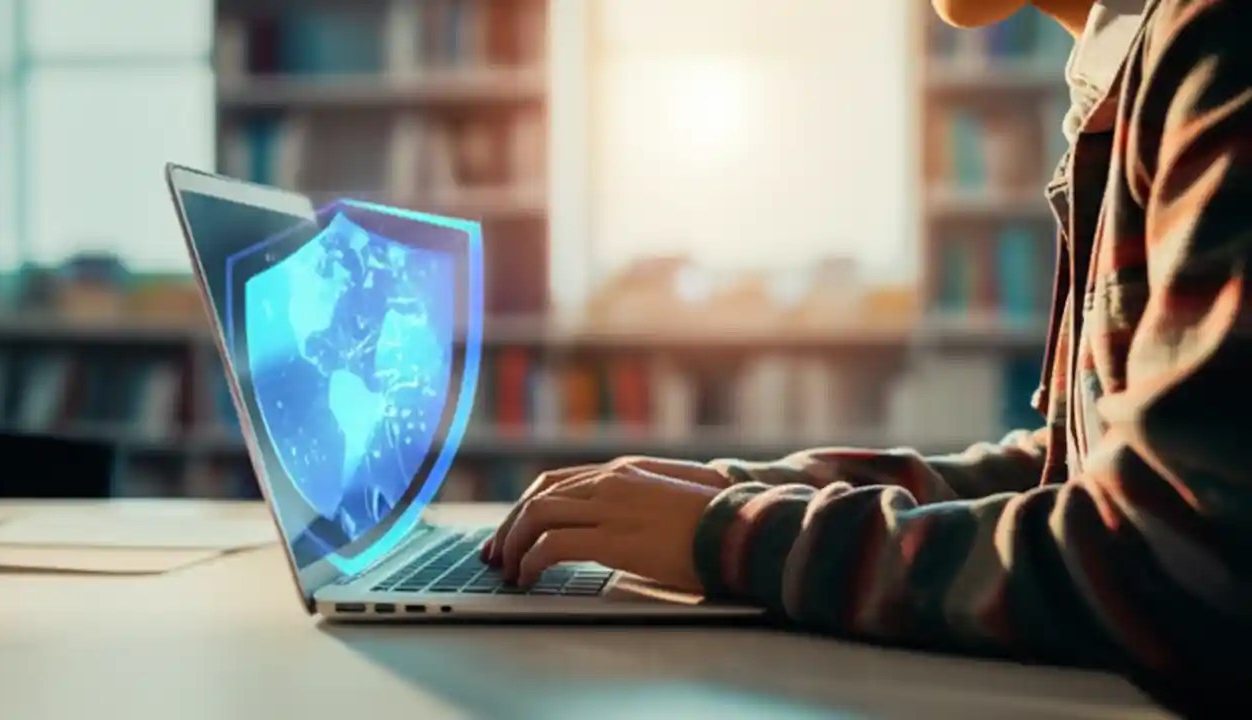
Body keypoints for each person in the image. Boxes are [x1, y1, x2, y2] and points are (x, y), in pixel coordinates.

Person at [482, 0, 1251, 706]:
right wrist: (735, 490)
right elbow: (1078, 475)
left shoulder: (1220, 47)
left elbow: (1165, 557)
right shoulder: (1137, 71)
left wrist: (729, 533)